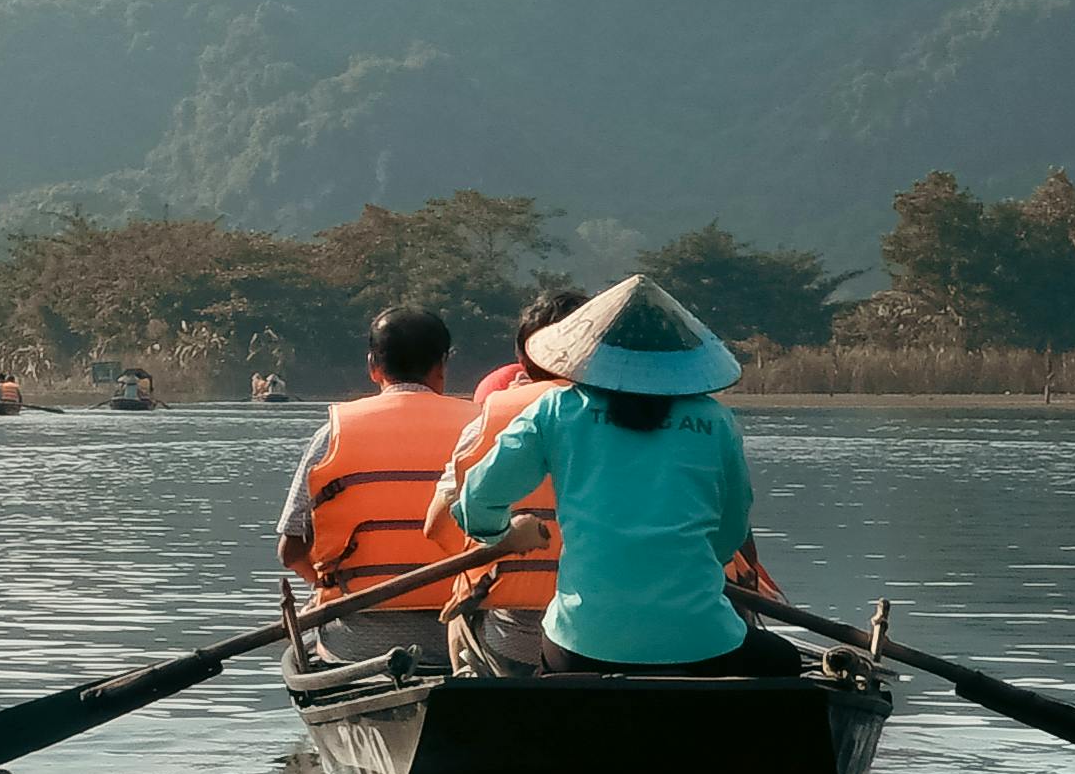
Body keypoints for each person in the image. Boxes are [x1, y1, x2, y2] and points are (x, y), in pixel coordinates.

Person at [444, 275, 791, 672]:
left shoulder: (556, 409)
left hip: (581, 643)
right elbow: (730, 532)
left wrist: (507, 532)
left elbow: (475, 505)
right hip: (703, 640)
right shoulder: (715, 420)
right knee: (785, 661)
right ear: (676, 357)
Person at [277, 307, 476, 658]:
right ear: (443, 364)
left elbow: (291, 551)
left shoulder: (332, 434)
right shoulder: (482, 429)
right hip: (461, 637)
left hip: (354, 640)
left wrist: (324, 585)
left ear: (373, 366)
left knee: (302, 650)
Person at [430, 284, 585, 666]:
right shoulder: (655, 418)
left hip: (514, 638)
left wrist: (502, 541)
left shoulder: (493, 419)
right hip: (626, 628)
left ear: (523, 358)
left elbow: (437, 527)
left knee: (462, 597)